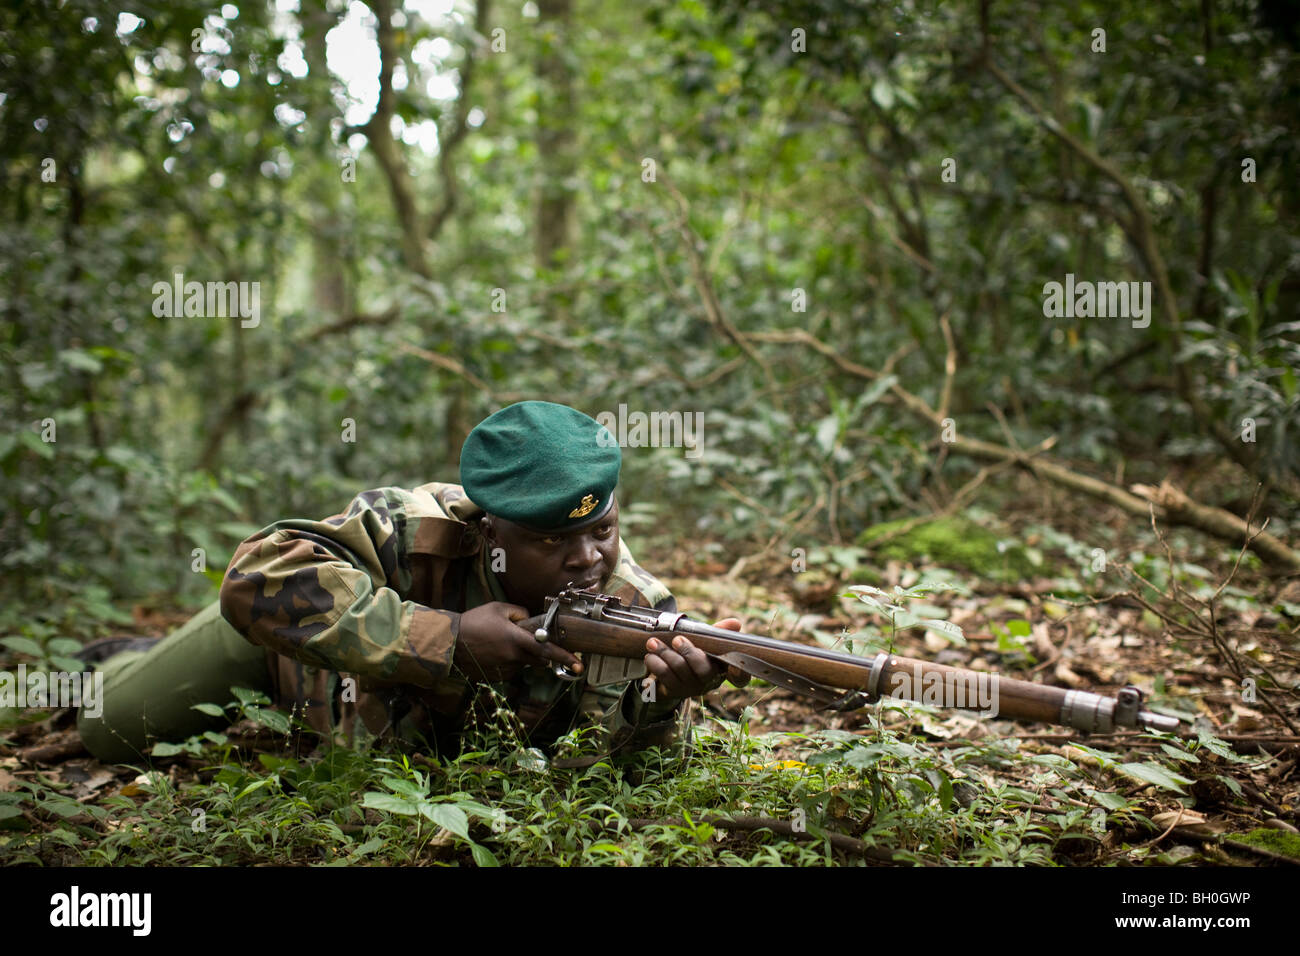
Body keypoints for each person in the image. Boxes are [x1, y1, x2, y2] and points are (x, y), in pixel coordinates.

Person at [77, 401, 741, 764]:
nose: (586, 559)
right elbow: (255, 577)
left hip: (352, 728)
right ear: (488, 533)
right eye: (550, 540)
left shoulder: (636, 609)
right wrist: (445, 637)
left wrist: (662, 701)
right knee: (106, 731)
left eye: (603, 530)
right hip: (279, 654)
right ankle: (132, 657)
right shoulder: (407, 527)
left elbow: (624, 770)